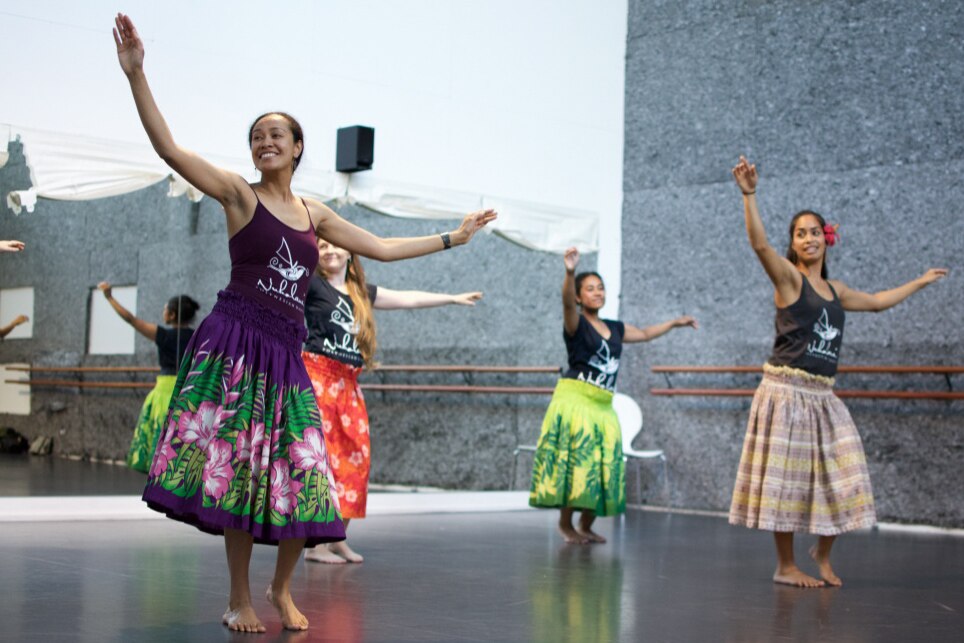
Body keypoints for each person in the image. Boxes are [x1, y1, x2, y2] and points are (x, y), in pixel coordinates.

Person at [114, 13, 495, 633]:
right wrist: (137, 76)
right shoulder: (240, 195)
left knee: (306, 474)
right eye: (257, 135)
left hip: (287, 356)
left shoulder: (314, 213)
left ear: (296, 149)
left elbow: (382, 248)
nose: (265, 142)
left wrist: (454, 237)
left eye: (277, 135)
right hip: (236, 344)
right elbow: (168, 148)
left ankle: (281, 588)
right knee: (238, 474)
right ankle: (240, 597)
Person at [727, 156, 948, 588]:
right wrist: (749, 195)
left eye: (815, 232)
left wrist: (919, 281)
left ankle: (821, 552)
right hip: (786, 391)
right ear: (793, 244)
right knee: (786, 483)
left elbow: (880, 300)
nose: (809, 238)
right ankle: (785, 566)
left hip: (823, 396)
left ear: (826, 240)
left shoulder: (836, 290)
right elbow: (758, 245)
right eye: (800, 233)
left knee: (844, 475)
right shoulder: (789, 280)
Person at [302, 238, 484, 564]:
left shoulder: (361, 293)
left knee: (356, 461)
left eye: (336, 245)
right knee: (323, 466)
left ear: (349, 251)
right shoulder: (312, 286)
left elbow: (407, 299)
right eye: (323, 245)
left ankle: (336, 536)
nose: (330, 250)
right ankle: (315, 546)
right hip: (319, 381)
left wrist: (452, 298)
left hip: (348, 385)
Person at [529, 247, 697, 544]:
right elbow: (566, 303)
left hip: (604, 403)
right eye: (590, 289)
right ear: (580, 297)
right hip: (576, 399)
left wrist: (672, 323)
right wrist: (570, 273)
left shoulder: (616, 329)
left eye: (600, 288)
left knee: (605, 461)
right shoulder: (575, 324)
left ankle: (586, 523)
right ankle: (565, 524)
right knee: (578, 460)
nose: (597, 292)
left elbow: (644, 334)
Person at [97, 282, 198, 473]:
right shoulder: (198, 337)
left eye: (165, 309)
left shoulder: (164, 336)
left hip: (164, 393)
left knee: (160, 439)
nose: (163, 312)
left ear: (172, 315)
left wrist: (110, 298)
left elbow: (131, 319)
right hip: (189, 392)